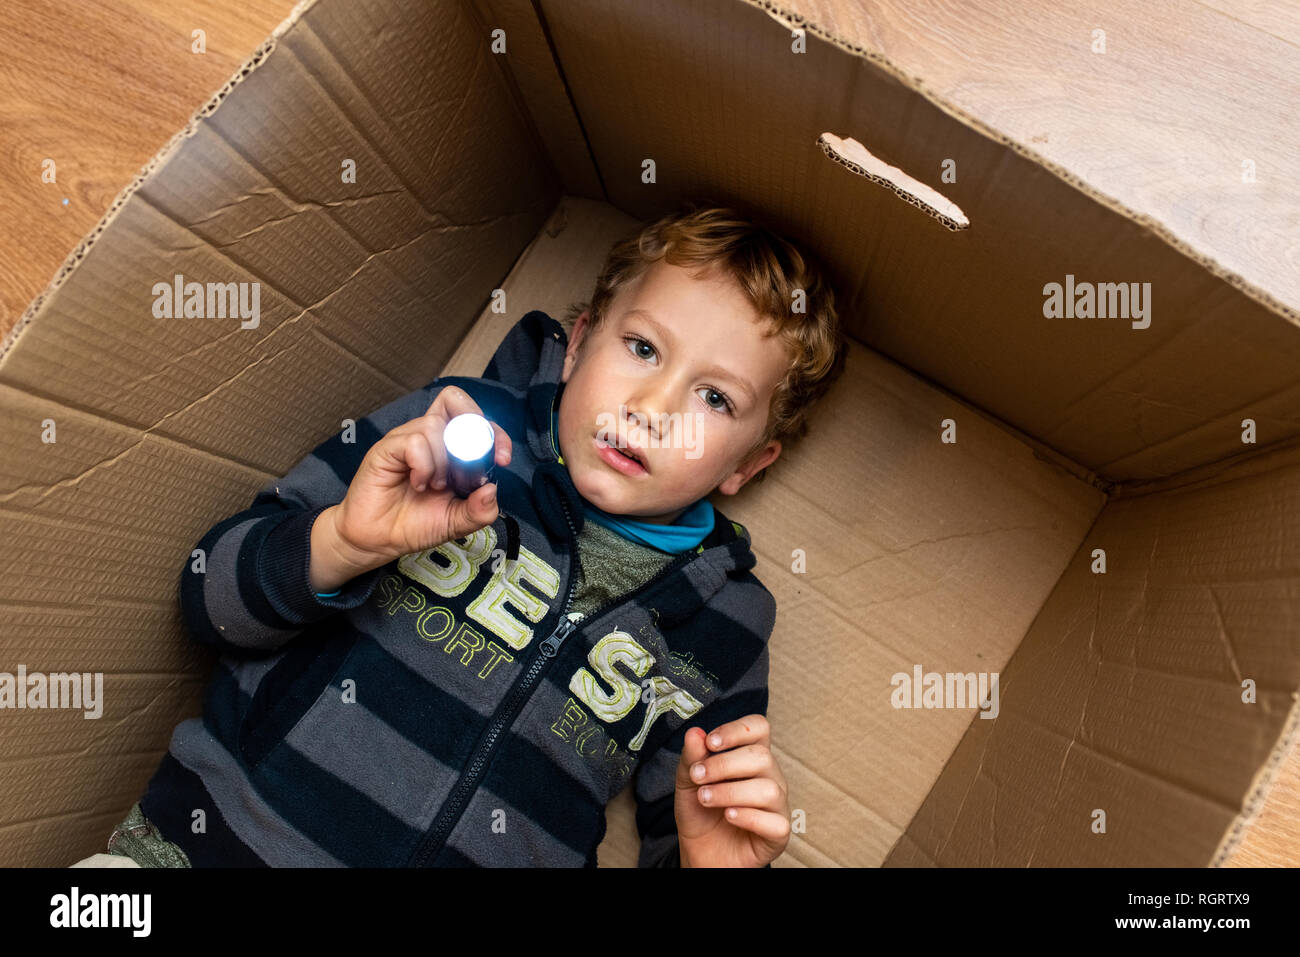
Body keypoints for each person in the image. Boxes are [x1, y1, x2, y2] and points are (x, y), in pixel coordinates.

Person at [71, 201, 848, 867]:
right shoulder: (450, 430)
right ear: (578, 344)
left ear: (749, 462)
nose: (652, 404)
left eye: (714, 397)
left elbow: (684, 828)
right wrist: (343, 542)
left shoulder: (728, 621)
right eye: (642, 348)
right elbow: (207, 597)